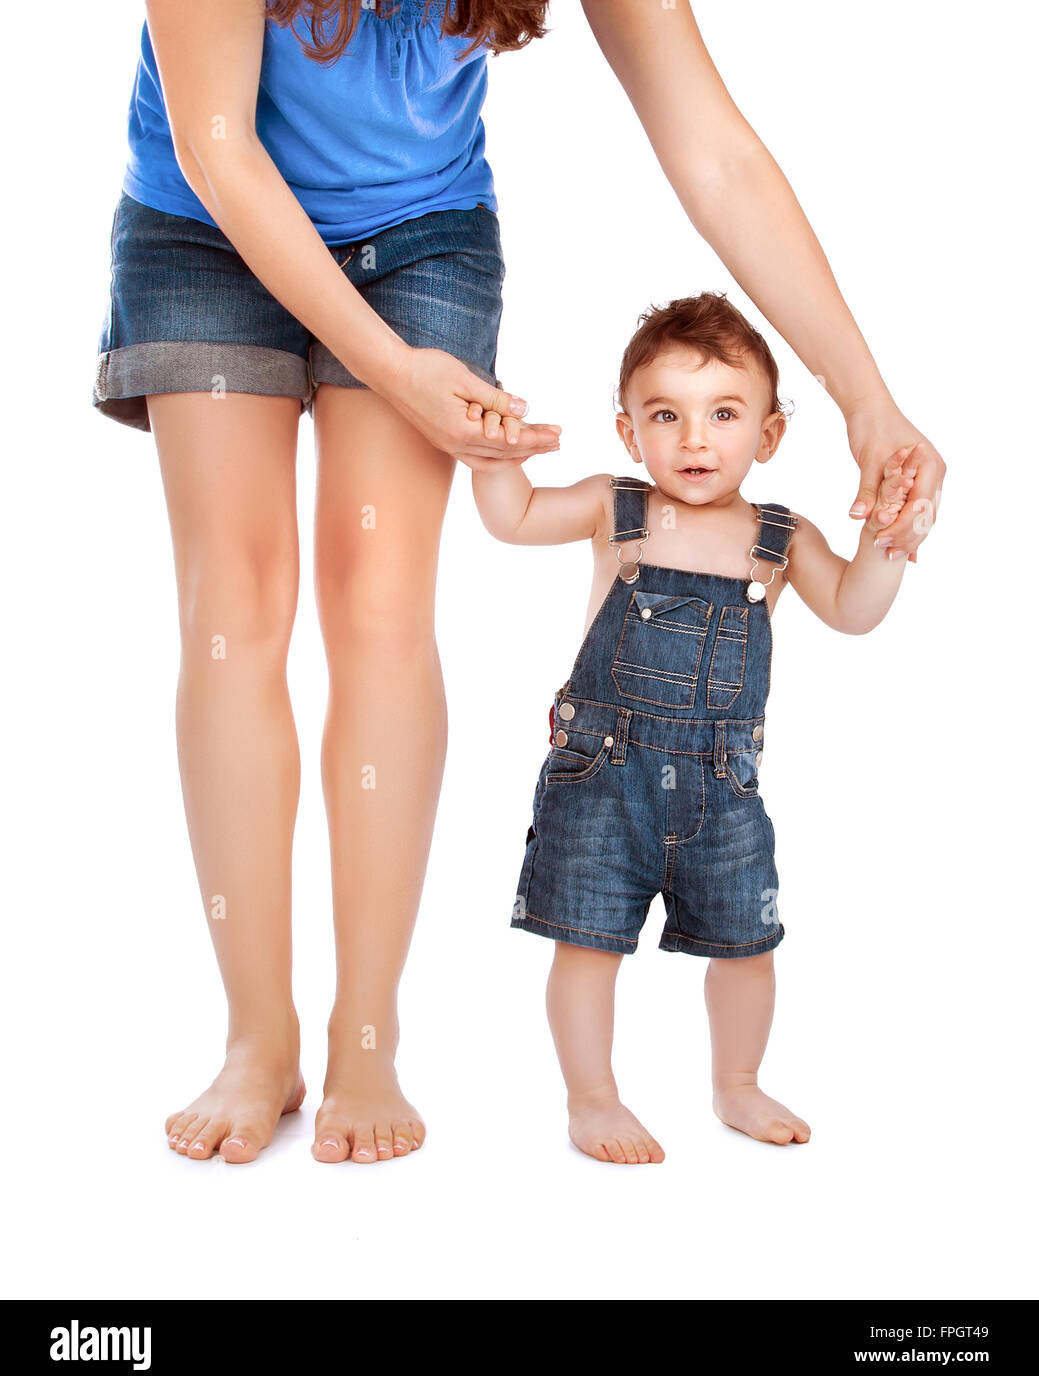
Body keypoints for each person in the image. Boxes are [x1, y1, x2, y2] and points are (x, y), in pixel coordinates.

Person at [92, 0, 943, 1165]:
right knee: (234, 609)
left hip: (422, 234)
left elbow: (715, 149)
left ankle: (366, 1037)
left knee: (378, 603)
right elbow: (218, 144)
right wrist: (394, 372)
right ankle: (258, 1037)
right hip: (207, 224)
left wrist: (866, 396)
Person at [472, 293, 918, 1163]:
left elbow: (855, 612)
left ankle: (736, 1084)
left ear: (769, 434)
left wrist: (888, 544)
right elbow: (512, 517)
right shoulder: (614, 507)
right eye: (665, 416)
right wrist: (493, 455)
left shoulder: (780, 540)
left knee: (748, 948)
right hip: (602, 779)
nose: (694, 440)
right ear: (628, 431)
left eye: (723, 414)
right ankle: (592, 1099)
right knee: (586, 943)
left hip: (722, 791)